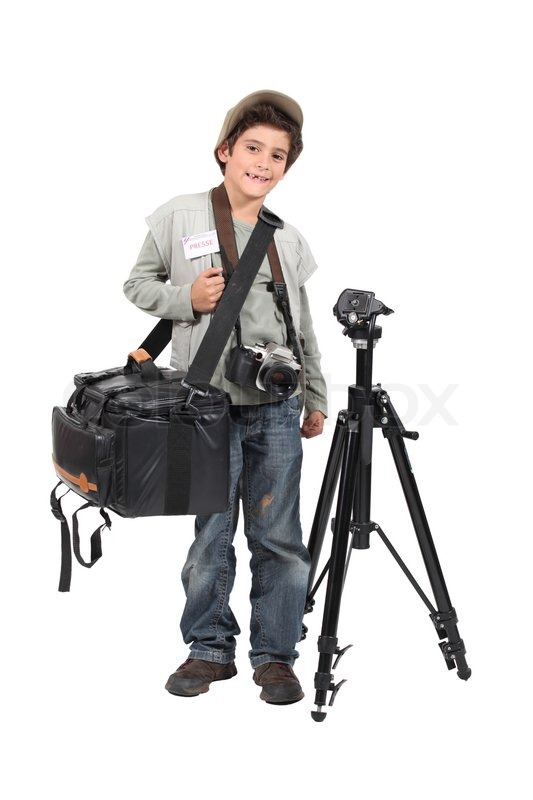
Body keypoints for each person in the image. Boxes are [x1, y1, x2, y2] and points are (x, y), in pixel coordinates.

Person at [123, 90, 327, 705]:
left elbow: (303, 328)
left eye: (278, 155)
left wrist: (313, 393)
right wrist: (188, 299)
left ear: (287, 167)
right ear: (225, 151)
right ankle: (208, 649)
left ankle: (276, 656)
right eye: (253, 149)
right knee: (212, 534)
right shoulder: (179, 216)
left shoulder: (287, 239)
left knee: (280, 537)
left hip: (275, 407)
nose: (263, 163)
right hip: (203, 406)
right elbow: (136, 283)